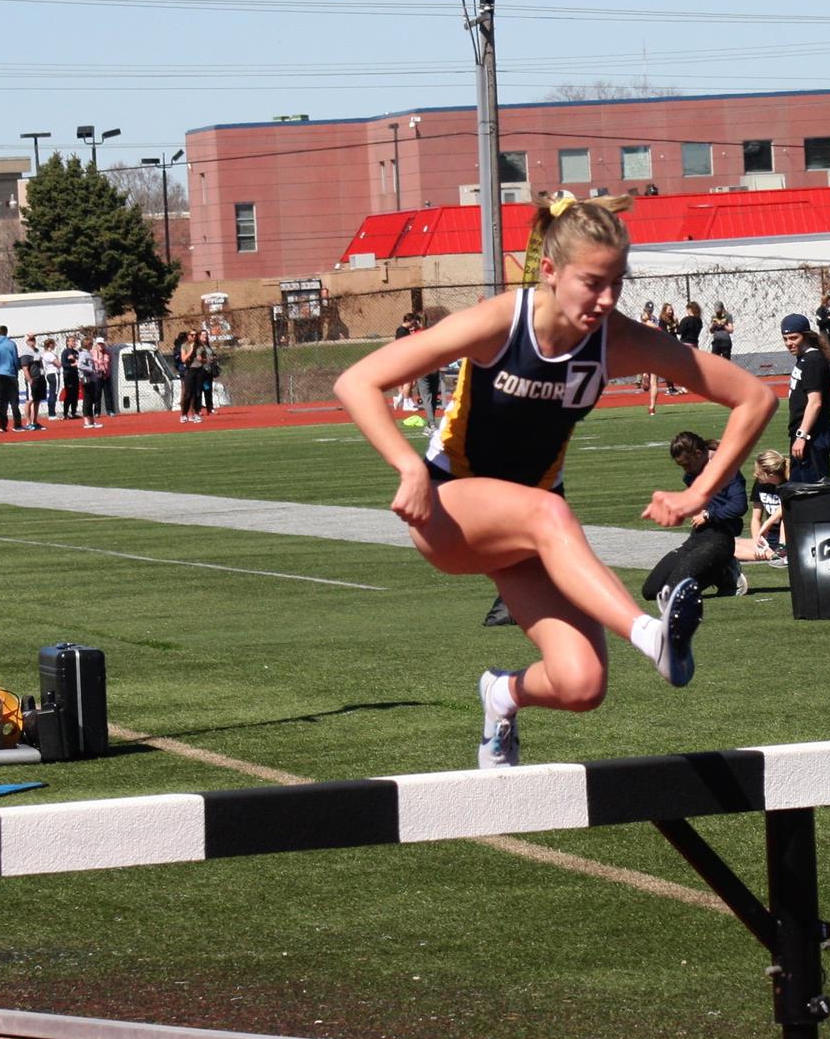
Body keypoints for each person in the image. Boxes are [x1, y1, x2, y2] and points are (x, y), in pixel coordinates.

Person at [333, 194, 775, 770]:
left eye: (618, 281)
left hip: (528, 531)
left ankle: (501, 696)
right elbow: (357, 381)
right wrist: (408, 465)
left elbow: (754, 397)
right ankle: (650, 635)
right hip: (449, 511)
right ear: (549, 272)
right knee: (550, 512)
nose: (608, 299)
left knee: (581, 683)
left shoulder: (616, 339)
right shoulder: (500, 322)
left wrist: (698, 493)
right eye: (593, 283)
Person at [641, 431, 749, 601]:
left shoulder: (727, 468)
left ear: (698, 454)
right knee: (650, 591)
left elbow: (739, 505)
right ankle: (720, 571)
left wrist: (709, 515)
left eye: (686, 464)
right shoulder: (692, 474)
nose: (685, 470)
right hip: (697, 538)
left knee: (673, 592)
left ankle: (724, 573)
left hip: (720, 539)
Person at [781, 312, 830, 483]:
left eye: (794, 338)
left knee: (813, 489)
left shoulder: (813, 360)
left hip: (813, 434)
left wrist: (802, 435)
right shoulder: (803, 359)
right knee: (799, 488)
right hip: (803, 433)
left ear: (806, 336)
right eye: (786, 339)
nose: (789, 343)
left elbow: (815, 402)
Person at [740, 449, 789, 567]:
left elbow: (785, 508)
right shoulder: (760, 484)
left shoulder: (788, 485)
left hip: (787, 537)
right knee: (728, 545)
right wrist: (756, 541)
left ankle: (781, 554)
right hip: (771, 538)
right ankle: (773, 554)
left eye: (758, 472)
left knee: (786, 517)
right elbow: (756, 518)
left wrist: (767, 523)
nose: (754, 474)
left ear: (770, 475)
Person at [0, 324, 22, 433]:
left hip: (0, 375)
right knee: (14, 400)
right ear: (6, 332)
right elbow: (15, 359)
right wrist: (17, 368)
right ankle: (17, 424)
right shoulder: (11, 344)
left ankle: (2, 424)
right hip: (11, 374)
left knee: (1, 401)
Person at [20, 334, 48, 431]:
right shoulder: (25, 353)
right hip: (33, 379)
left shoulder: (37, 351)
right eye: (30, 340)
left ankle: (34, 422)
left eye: (33, 340)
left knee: (37, 400)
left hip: (41, 378)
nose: (32, 341)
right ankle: (28, 422)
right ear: (27, 342)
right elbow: (25, 369)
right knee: (30, 400)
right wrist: (30, 380)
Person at [180, 330, 209, 423]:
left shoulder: (200, 346)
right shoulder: (185, 346)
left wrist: (202, 360)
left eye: (196, 335)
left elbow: (205, 360)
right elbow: (184, 359)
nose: (194, 337)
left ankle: (196, 414)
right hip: (190, 370)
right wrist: (191, 350)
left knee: (198, 393)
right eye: (192, 335)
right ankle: (184, 414)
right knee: (188, 394)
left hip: (199, 370)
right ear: (188, 336)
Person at [82, 336, 110, 429]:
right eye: (90, 344)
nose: (92, 345)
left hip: (92, 378)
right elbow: (80, 365)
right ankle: (86, 421)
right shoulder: (84, 354)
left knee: (91, 400)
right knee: (87, 400)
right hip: (87, 379)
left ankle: (92, 421)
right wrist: (90, 369)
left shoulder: (89, 354)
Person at [196, 329, 221, 415]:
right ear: (199, 336)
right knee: (199, 390)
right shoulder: (199, 347)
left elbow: (212, 355)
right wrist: (206, 360)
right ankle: (198, 409)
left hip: (208, 371)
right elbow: (198, 358)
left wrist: (214, 358)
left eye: (206, 335)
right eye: (203, 335)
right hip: (201, 370)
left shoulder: (208, 346)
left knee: (208, 389)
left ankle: (210, 408)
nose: (205, 337)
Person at [59, 336, 83, 419]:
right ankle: (65, 414)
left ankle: (73, 412)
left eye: (74, 341)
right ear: (67, 342)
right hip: (68, 375)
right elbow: (64, 364)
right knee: (69, 394)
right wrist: (72, 364)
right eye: (72, 341)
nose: (74, 343)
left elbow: (79, 362)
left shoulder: (76, 352)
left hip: (75, 375)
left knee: (75, 394)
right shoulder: (65, 352)